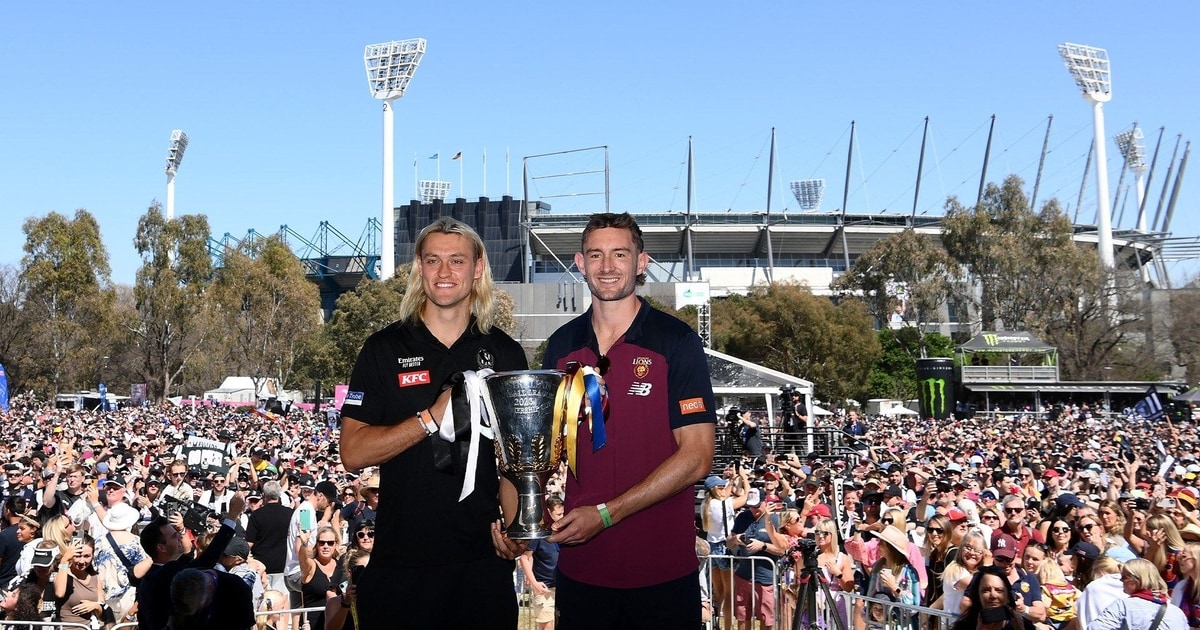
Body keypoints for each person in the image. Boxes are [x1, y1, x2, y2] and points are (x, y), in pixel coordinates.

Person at [339, 217, 529, 630]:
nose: (444, 273)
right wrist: (430, 418)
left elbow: (514, 463)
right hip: (401, 563)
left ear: (478, 267)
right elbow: (352, 452)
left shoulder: (506, 353)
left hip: (482, 564)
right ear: (419, 268)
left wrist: (517, 531)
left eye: (456, 260)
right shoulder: (383, 348)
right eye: (433, 260)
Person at [540, 212, 717, 629]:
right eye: (595, 255)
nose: (607, 266)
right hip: (582, 570)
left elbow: (697, 457)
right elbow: (544, 450)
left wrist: (606, 514)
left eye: (620, 254)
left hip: (662, 573)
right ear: (579, 264)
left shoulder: (676, 342)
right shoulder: (561, 346)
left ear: (642, 262)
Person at [702, 472, 749, 630]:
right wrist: (745, 479)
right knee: (729, 592)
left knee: (718, 591)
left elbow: (730, 492)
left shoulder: (705, 504)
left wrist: (732, 481)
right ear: (716, 489)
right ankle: (727, 626)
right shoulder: (724, 504)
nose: (725, 489)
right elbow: (745, 497)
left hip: (711, 546)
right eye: (721, 486)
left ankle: (716, 623)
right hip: (724, 546)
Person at [1088, 558, 1188, 630]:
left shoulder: (1123, 606)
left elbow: (1095, 628)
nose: (1121, 580)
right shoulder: (1176, 612)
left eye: (1124, 577)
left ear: (1138, 580)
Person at [518, 496, 565, 630]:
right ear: (549, 513)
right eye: (559, 514)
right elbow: (525, 558)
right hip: (544, 587)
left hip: (562, 585)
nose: (562, 517)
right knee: (547, 626)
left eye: (563, 513)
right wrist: (534, 583)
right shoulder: (540, 534)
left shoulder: (566, 532)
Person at [948, 566, 1035, 630]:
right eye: (986, 590)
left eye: (999, 590)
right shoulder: (963, 626)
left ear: (1008, 596)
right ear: (978, 596)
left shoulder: (1023, 626)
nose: (993, 595)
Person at [167, 567, 255, 630]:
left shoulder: (238, 590)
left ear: (210, 588)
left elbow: (246, 625)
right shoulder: (180, 583)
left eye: (200, 607)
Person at [245, 480, 291, 596]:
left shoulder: (256, 516)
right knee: (281, 606)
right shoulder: (290, 513)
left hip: (262, 567)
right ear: (279, 494)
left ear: (263, 495)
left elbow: (249, 544)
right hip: (283, 567)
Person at [52, 534, 106, 627]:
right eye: (78, 556)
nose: (82, 561)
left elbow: (102, 615)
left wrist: (95, 606)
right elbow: (59, 593)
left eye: (87, 556)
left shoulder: (95, 577)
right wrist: (64, 560)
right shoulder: (62, 574)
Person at [297, 525, 342, 630]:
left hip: (338, 624)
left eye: (330, 543)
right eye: (322, 543)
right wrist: (304, 544)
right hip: (312, 625)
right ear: (317, 544)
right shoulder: (311, 566)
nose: (326, 546)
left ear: (336, 544)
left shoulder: (341, 565)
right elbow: (303, 561)